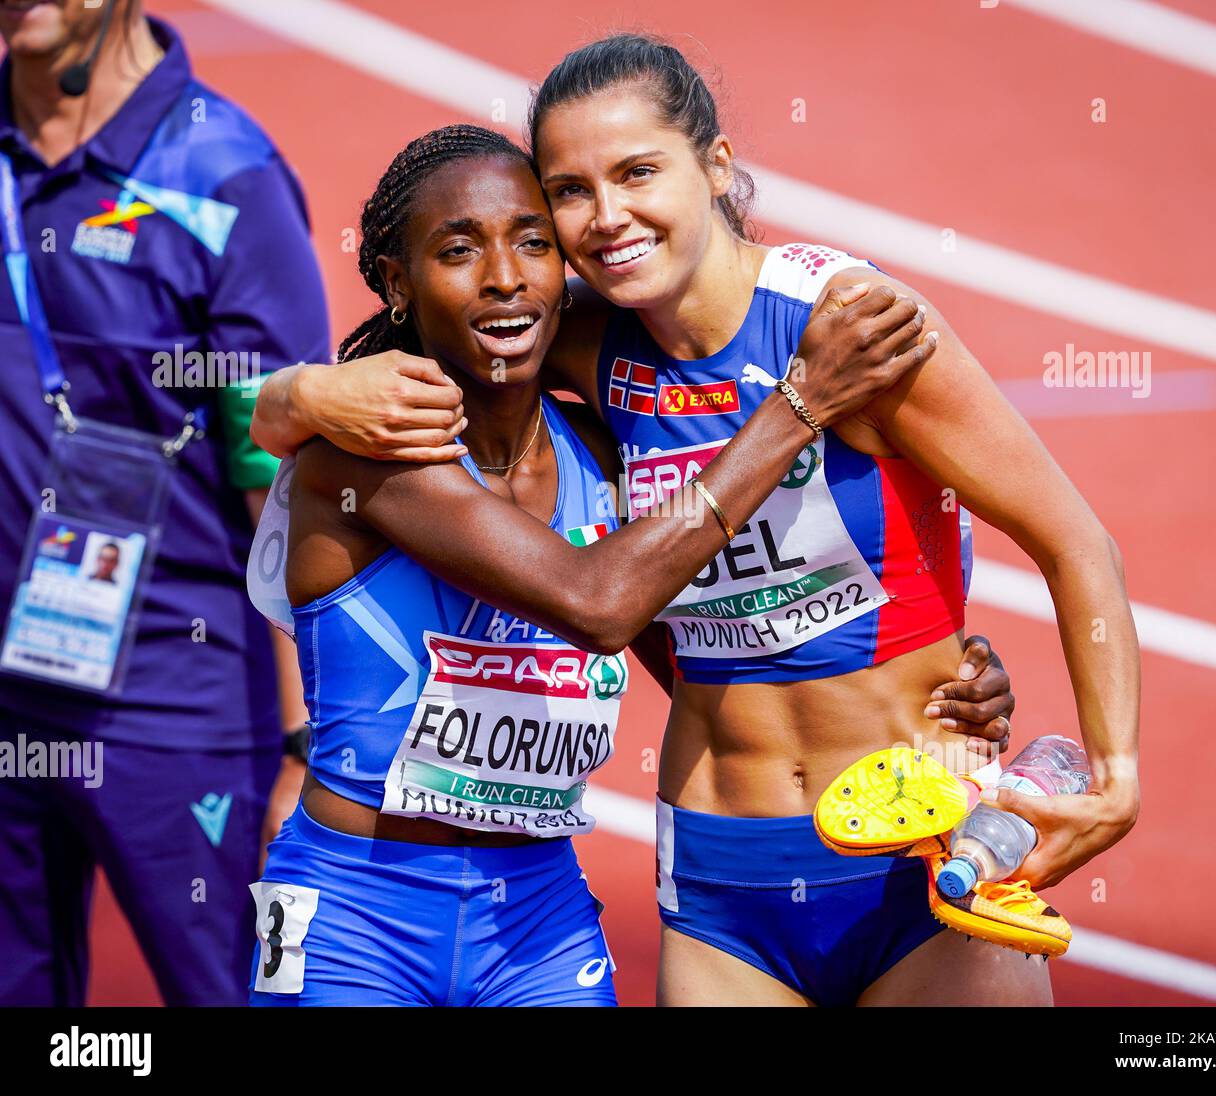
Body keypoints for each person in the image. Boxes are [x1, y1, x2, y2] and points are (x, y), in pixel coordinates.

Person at [251, 39, 1047, 1006]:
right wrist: (294, 393)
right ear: (396, 281)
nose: (505, 277)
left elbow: (705, 621)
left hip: (535, 910)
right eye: (459, 252)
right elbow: (602, 602)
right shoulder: (368, 454)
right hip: (356, 909)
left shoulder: (601, 450)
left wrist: (919, 681)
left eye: (535, 243)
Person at [0, 0, 328, 1005]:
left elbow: (286, 474)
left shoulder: (224, 176)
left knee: (236, 992)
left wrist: (306, 747)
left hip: (177, 702)